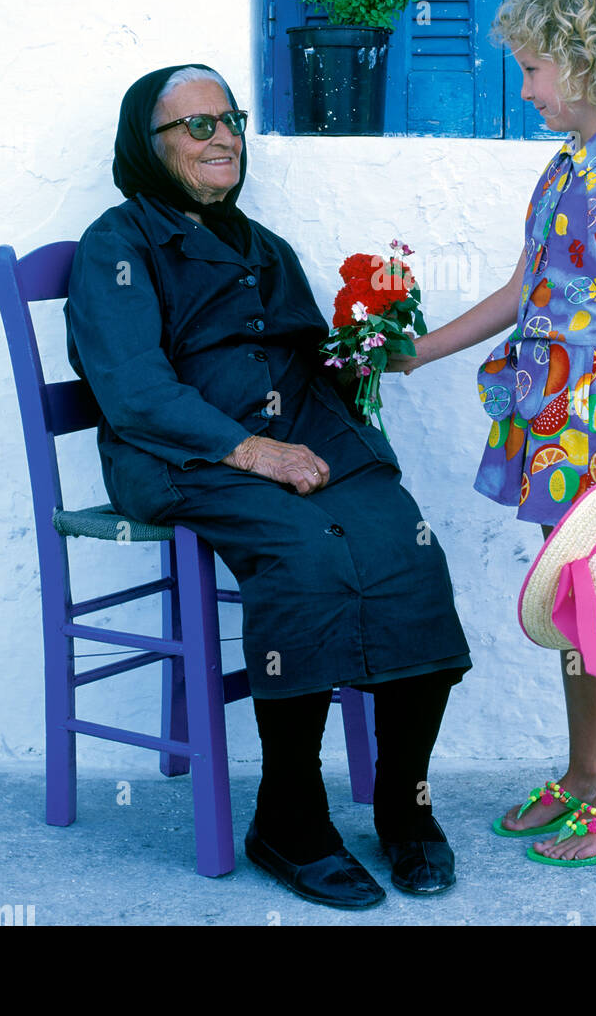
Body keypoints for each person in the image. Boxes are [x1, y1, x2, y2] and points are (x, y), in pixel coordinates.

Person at [64, 63, 471, 908]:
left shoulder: (264, 246)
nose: (224, 138)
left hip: (302, 442)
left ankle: (406, 802)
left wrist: (367, 340)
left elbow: (308, 361)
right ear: (150, 145)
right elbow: (135, 392)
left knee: (407, 547)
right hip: (185, 458)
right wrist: (253, 450)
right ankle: (287, 815)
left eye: (231, 120)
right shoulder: (119, 245)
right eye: (198, 126)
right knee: (307, 558)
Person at [390, 0, 596, 865]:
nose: (523, 90)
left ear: (588, 64)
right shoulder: (565, 169)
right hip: (553, 416)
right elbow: (527, 292)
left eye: (532, 71)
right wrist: (417, 350)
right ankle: (584, 771)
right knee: (571, 599)